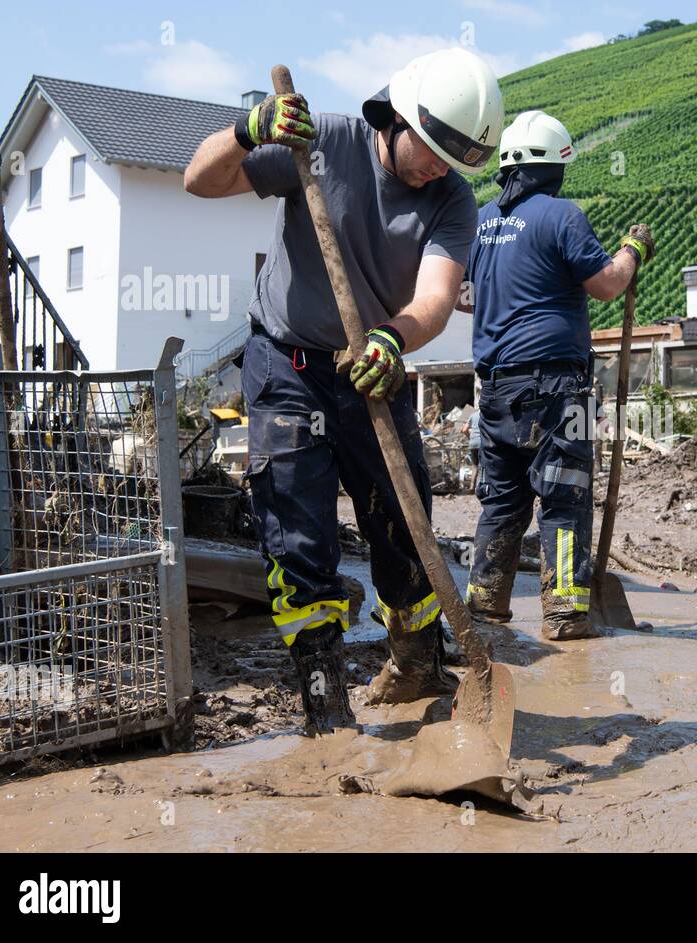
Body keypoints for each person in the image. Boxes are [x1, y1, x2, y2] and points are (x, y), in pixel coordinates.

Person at [184, 48, 504, 734]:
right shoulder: (321, 143)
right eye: (434, 148)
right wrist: (248, 131)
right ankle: (325, 705)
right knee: (297, 527)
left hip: (373, 366)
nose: (439, 167)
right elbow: (198, 180)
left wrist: (393, 338)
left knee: (402, 511)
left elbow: (437, 297)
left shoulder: (451, 199)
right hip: (286, 361)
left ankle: (418, 663)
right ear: (399, 115)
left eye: (458, 159)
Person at [461, 110, 654, 640]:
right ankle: (567, 615)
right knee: (564, 497)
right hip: (557, 391)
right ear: (556, 165)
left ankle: (485, 610)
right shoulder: (562, 216)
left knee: (501, 501)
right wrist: (633, 251)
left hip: (497, 390)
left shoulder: (481, 222)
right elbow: (608, 284)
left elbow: (462, 296)